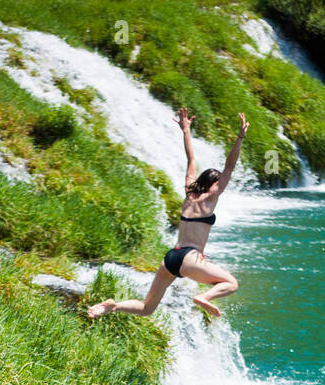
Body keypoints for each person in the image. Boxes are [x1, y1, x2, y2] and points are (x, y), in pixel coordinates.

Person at [87, 107, 248, 321]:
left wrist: (186, 130)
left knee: (146, 308)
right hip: (190, 258)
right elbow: (230, 166)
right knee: (231, 283)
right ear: (215, 184)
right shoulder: (211, 198)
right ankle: (204, 298)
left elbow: (191, 158)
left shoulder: (189, 190)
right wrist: (239, 137)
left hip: (172, 257)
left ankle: (112, 306)